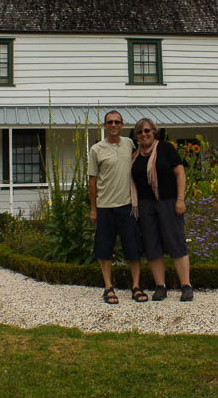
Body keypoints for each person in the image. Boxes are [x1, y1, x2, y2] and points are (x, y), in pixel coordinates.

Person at [130, 117, 193, 302]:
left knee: (175, 242)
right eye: (140, 132)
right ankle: (160, 286)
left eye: (147, 130)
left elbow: (180, 173)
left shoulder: (166, 148)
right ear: (136, 135)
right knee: (152, 246)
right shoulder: (135, 154)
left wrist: (180, 199)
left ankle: (186, 285)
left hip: (168, 201)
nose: (144, 134)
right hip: (145, 205)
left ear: (154, 132)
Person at [88, 110, 148, 304]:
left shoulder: (129, 144)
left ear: (122, 125)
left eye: (117, 122)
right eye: (109, 122)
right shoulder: (96, 149)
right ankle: (108, 287)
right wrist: (94, 208)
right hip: (105, 207)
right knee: (104, 248)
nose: (113, 125)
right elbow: (92, 181)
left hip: (127, 206)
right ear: (104, 126)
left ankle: (136, 286)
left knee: (133, 248)